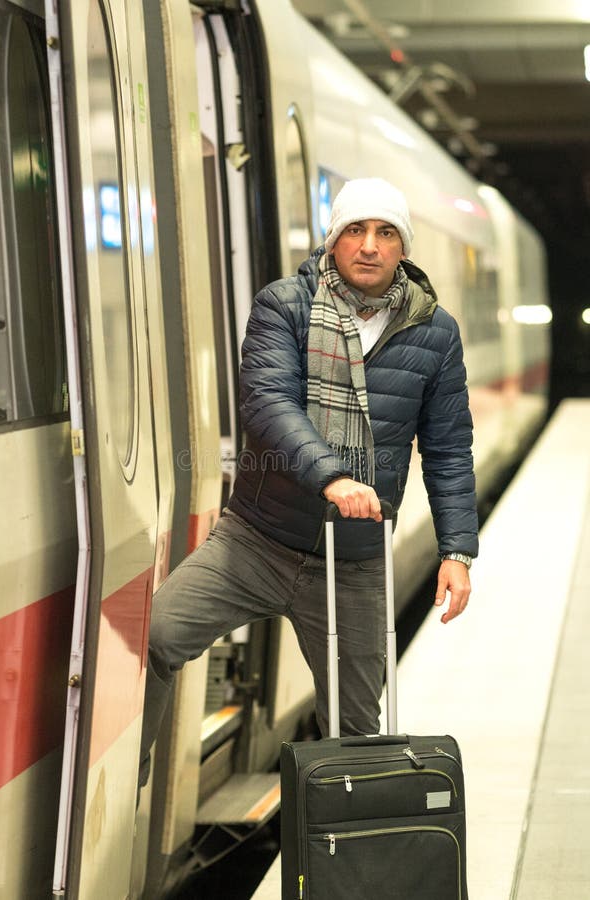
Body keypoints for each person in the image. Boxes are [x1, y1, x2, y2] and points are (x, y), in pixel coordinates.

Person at [138, 177, 477, 787]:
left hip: (352, 561)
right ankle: (130, 790)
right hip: (255, 542)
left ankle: (347, 861)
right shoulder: (284, 305)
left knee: (354, 731)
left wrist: (456, 550)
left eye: (385, 233)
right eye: (355, 230)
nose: (369, 245)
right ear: (334, 239)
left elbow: (449, 447)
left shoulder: (435, 332)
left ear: (404, 248)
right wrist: (333, 477)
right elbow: (268, 403)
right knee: (157, 634)